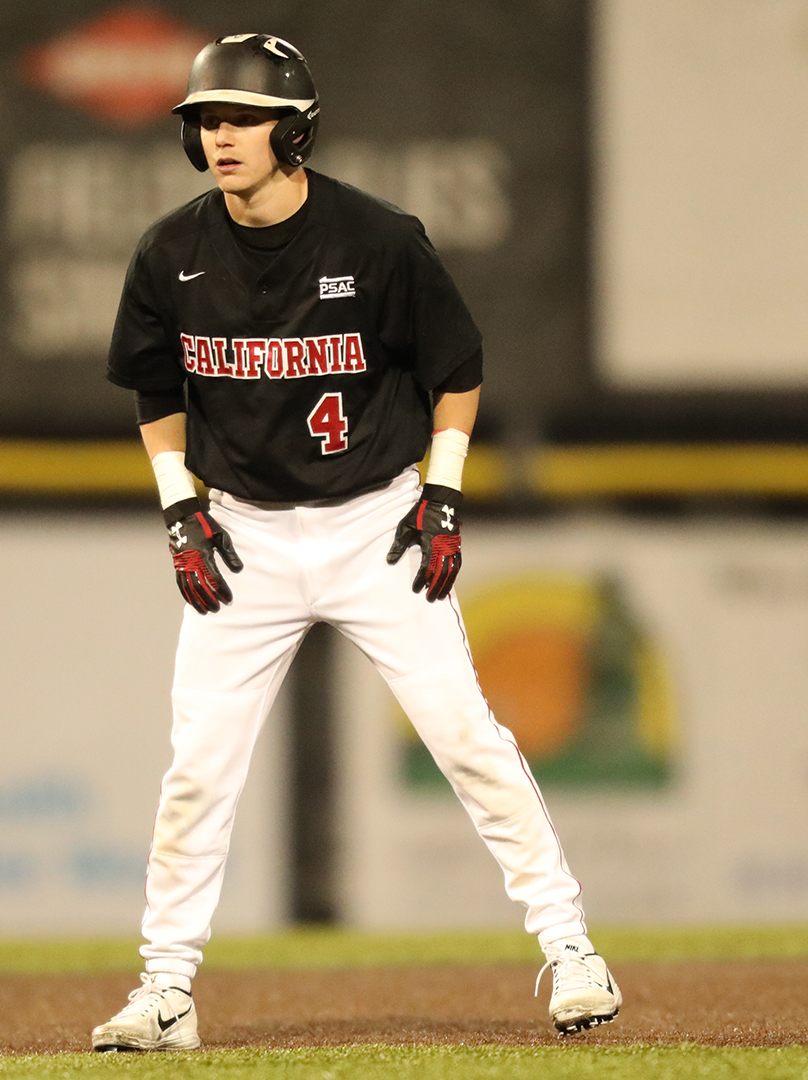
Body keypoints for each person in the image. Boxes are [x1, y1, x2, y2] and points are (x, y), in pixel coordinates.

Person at [92, 34, 621, 1052]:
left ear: (294, 130)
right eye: (207, 119)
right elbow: (157, 385)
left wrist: (444, 493)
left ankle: (572, 951)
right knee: (198, 765)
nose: (220, 134)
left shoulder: (376, 238)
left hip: (375, 523)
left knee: (467, 738)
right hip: (243, 531)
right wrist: (177, 502)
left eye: (241, 117)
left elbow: (456, 366)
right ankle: (166, 988)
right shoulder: (171, 251)